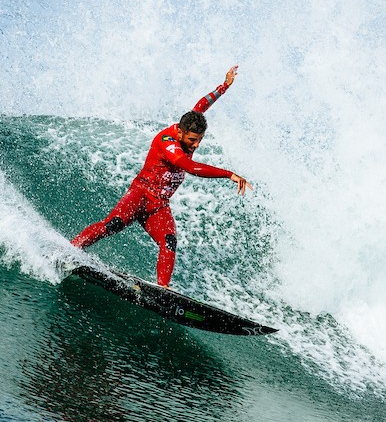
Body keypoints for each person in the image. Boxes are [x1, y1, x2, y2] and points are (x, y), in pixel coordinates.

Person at [71, 65, 251, 288]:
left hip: (158, 204)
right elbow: (190, 167)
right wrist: (228, 174)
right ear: (180, 132)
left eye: (200, 140)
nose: (196, 144)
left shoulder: (189, 126)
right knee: (113, 225)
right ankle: (72, 249)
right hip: (140, 194)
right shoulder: (167, 142)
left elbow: (201, 107)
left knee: (169, 242)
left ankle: (162, 289)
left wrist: (224, 86)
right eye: (192, 140)